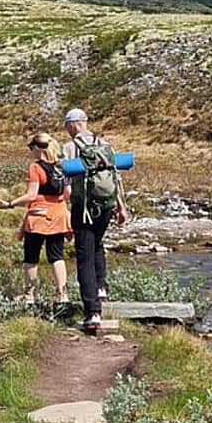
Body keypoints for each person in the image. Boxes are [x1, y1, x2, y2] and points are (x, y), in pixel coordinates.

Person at [61, 108, 129, 332]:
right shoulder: (106, 144)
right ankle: (102, 288)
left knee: (84, 256)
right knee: (98, 244)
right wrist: (121, 207)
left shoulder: (70, 147)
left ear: (73, 125)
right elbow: (115, 177)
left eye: (67, 126)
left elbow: (65, 180)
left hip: (84, 209)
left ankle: (93, 311)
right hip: (107, 205)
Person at [0, 132, 72, 304]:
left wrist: (10, 203)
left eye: (31, 147)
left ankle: (29, 295)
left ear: (38, 148)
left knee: (31, 256)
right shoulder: (62, 166)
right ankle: (62, 295)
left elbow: (31, 195)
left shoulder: (36, 167)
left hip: (38, 217)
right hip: (59, 216)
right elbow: (68, 193)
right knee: (57, 256)